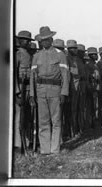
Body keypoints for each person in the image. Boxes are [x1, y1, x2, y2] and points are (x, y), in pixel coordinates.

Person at [29, 26, 70, 155]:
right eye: (42, 40)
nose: (44, 42)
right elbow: (32, 76)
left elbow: (65, 74)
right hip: (41, 91)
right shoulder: (36, 56)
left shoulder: (60, 55)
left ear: (51, 39)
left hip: (55, 91)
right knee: (43, 121)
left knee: (56, 121)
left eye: (47, 39)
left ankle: (55, 149)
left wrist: (64, 92)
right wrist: (31, 93)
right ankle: (45, 150)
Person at [14, 30, 34, 154]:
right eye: (23, 39)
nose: (26, 41)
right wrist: (17, 92)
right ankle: (17, 145)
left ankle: (26, 142)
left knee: (27, 117)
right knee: (18, 117)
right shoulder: (18, 55)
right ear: (19, 41)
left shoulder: (30, 56)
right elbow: (13, 74)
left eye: (27, 40)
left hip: (28, 88)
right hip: (20, 88)